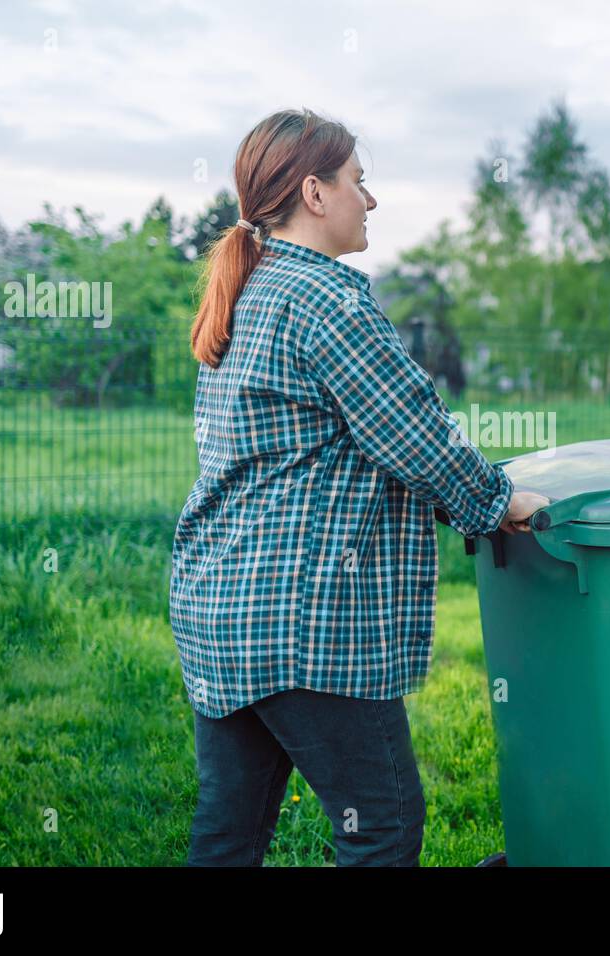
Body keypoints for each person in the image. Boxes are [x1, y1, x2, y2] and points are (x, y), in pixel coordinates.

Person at [169, 107, 549, 867]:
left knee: (230, 833)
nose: (368, 200)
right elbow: (413, 432)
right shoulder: (329, 299)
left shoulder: (252, 290)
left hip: (222, 610)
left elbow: (367, 437)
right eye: (358, 182)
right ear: (315, 192)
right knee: (380, 824)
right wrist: (500, 501)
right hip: (302, 623)